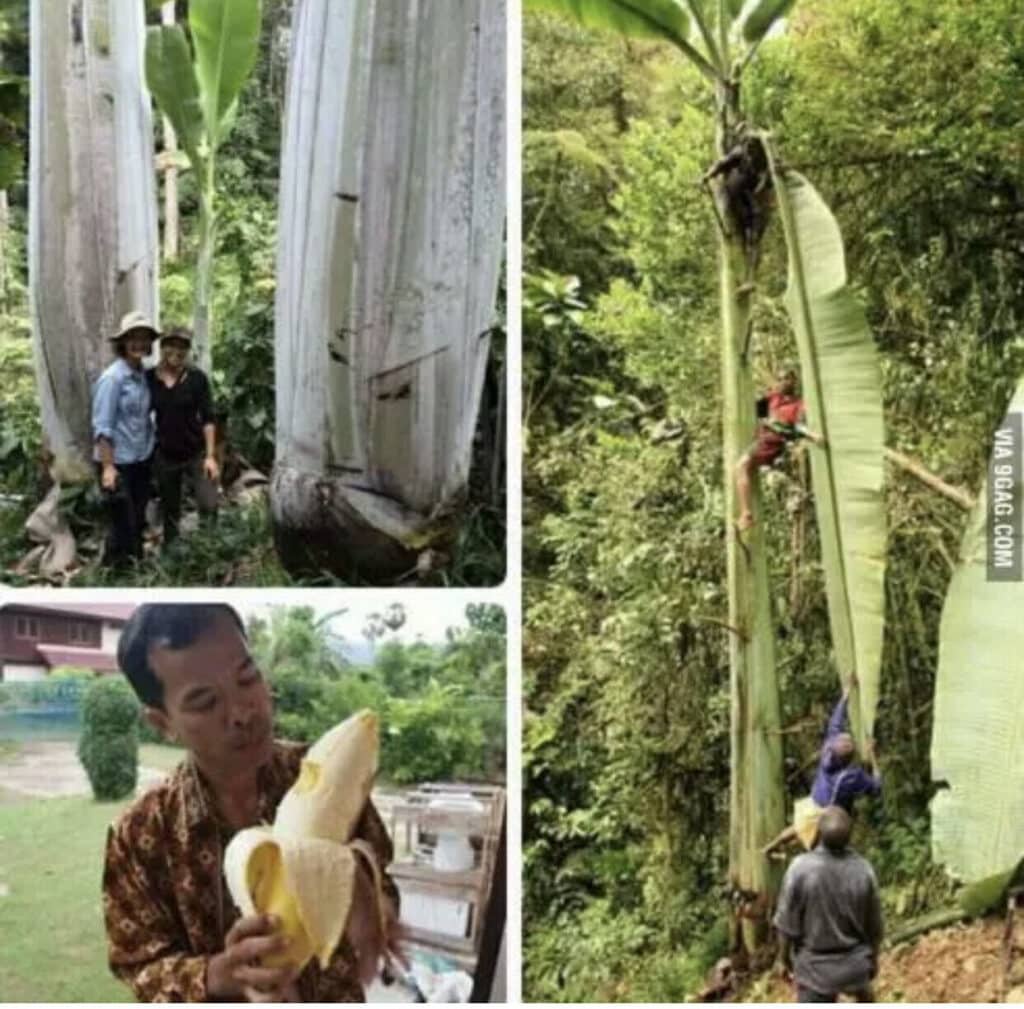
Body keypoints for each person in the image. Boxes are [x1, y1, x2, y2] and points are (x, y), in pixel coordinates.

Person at [102, 604, 402, 1002]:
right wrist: (216, 974)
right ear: (163, 723)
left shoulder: (323, 774)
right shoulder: (139, 834)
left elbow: (383, 877)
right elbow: (136, 962)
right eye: (205, 703)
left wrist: (374, 905)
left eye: (247, 677)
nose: (244, 712)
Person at [773, 805, 884, 1002]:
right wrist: (873, 960)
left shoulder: (800, 868)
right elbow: (875, 927)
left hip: (814, 970)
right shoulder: (863, 869)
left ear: (819, 834)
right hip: (855, 966)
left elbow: (786, 921)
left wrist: (782, 959)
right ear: (850, 837)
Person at [763, 687, 881, 857]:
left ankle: (772, 847)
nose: (847, 737)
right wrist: (872, 755)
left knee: (797, 829)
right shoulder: (852, 776)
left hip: (814, 801)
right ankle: (783, 852)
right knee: (817, 844)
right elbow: (876, 787)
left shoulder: (829, 748)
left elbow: (835, 723)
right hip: (827, 814)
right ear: (848, 759)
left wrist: (845, 696)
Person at [91, 310, 158, 568]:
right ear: (123, 342)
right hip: (117, 461)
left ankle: (134, 563)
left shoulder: (142, 376)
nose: (139, 343)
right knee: (123, 521)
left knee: (138, 517)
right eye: (133, 337)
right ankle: (117, 570)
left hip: (140, 457)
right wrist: (108, 467)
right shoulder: (113, 379)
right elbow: (102, 426)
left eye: (144, 338)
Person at [146, 327, 220, 549]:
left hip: (195, 451)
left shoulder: (197, 378)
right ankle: (172, 554)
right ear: (162, 346)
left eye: (182, 346)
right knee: (170, 509)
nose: (176, 351)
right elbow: (138, 413)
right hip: (165, 454)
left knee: (209, 503)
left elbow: (208, 418)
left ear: (187, 350)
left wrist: (210, 456)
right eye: (171, 344)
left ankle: (209, 550)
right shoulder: (149, 378)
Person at [736, 366, 825, 532]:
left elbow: (798, 426)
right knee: (765, 474)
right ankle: (793, 496)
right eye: (780, 379)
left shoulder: (799, 405)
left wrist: (813, 436)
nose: (783, 382)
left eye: (787, 379)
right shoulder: (774, 398)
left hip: (773, 442)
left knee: (742, 465)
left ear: (794, 381)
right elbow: (757, 409)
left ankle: (746, 514)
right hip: (764, 440)